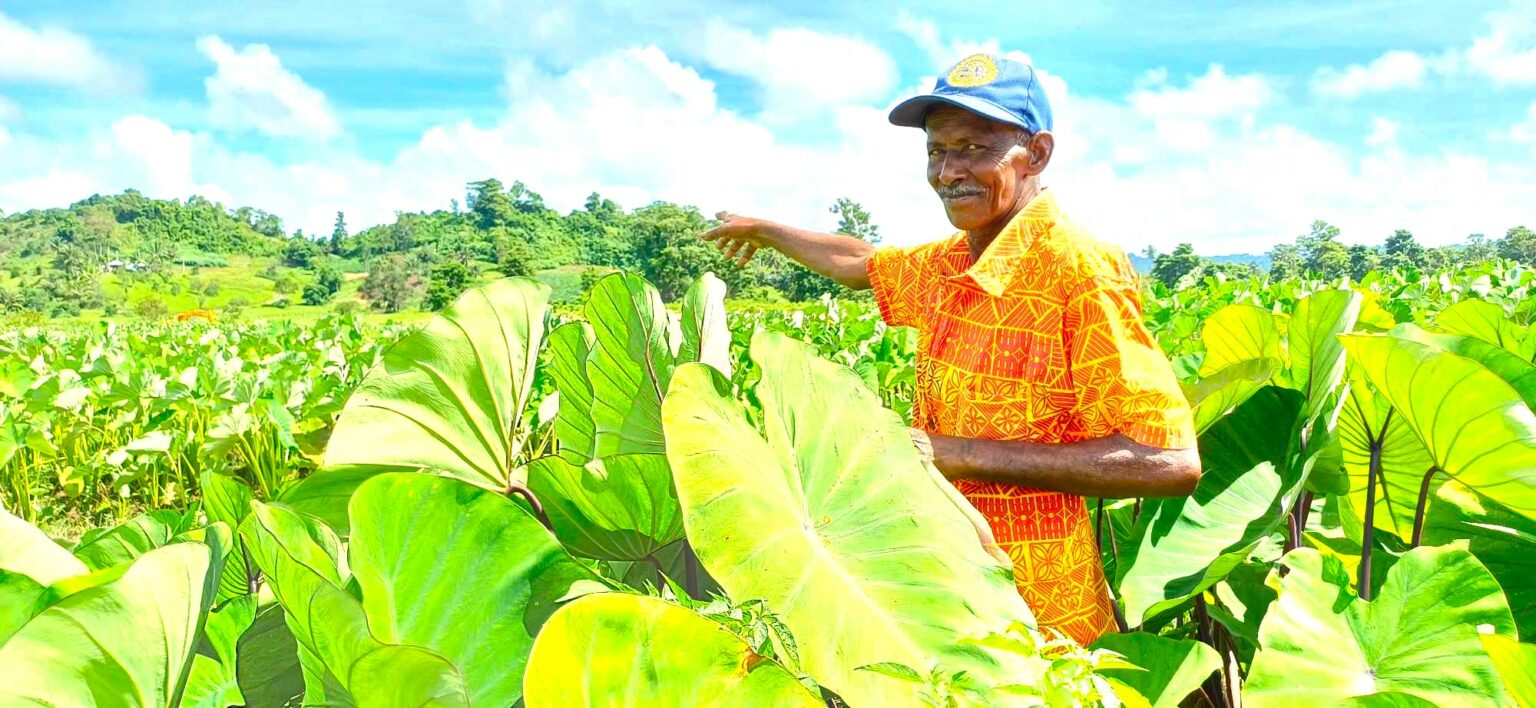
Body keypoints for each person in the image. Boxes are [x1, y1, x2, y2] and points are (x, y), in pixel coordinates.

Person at [701, 53, 1200, 645]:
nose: (948, 172)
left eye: (973, 148)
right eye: (937, 151)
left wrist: (953, 453)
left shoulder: (1080, 268)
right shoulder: (950, 262)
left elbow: (1166, 461)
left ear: (1037, 154)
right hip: (939, 585)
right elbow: (861, 264)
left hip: (1039, 605)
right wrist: (767, 231)